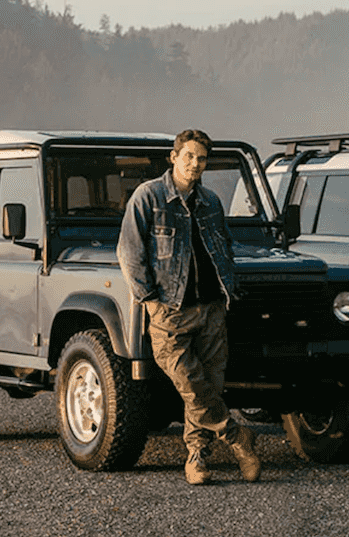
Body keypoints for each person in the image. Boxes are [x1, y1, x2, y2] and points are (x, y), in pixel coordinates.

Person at [116, 128, 259, 485]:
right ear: (174, 157)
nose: (195, 164)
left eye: (202, 159)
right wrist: (149, 300)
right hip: (170, 310)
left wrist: (230, 290)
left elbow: (223, 245)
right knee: (190, 383)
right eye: (189, 156)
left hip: (211, 308)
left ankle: (197, 458)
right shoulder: (148, 197)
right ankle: (237, 436)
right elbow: (129, 252)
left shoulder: (210, 201)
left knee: (209, 385)